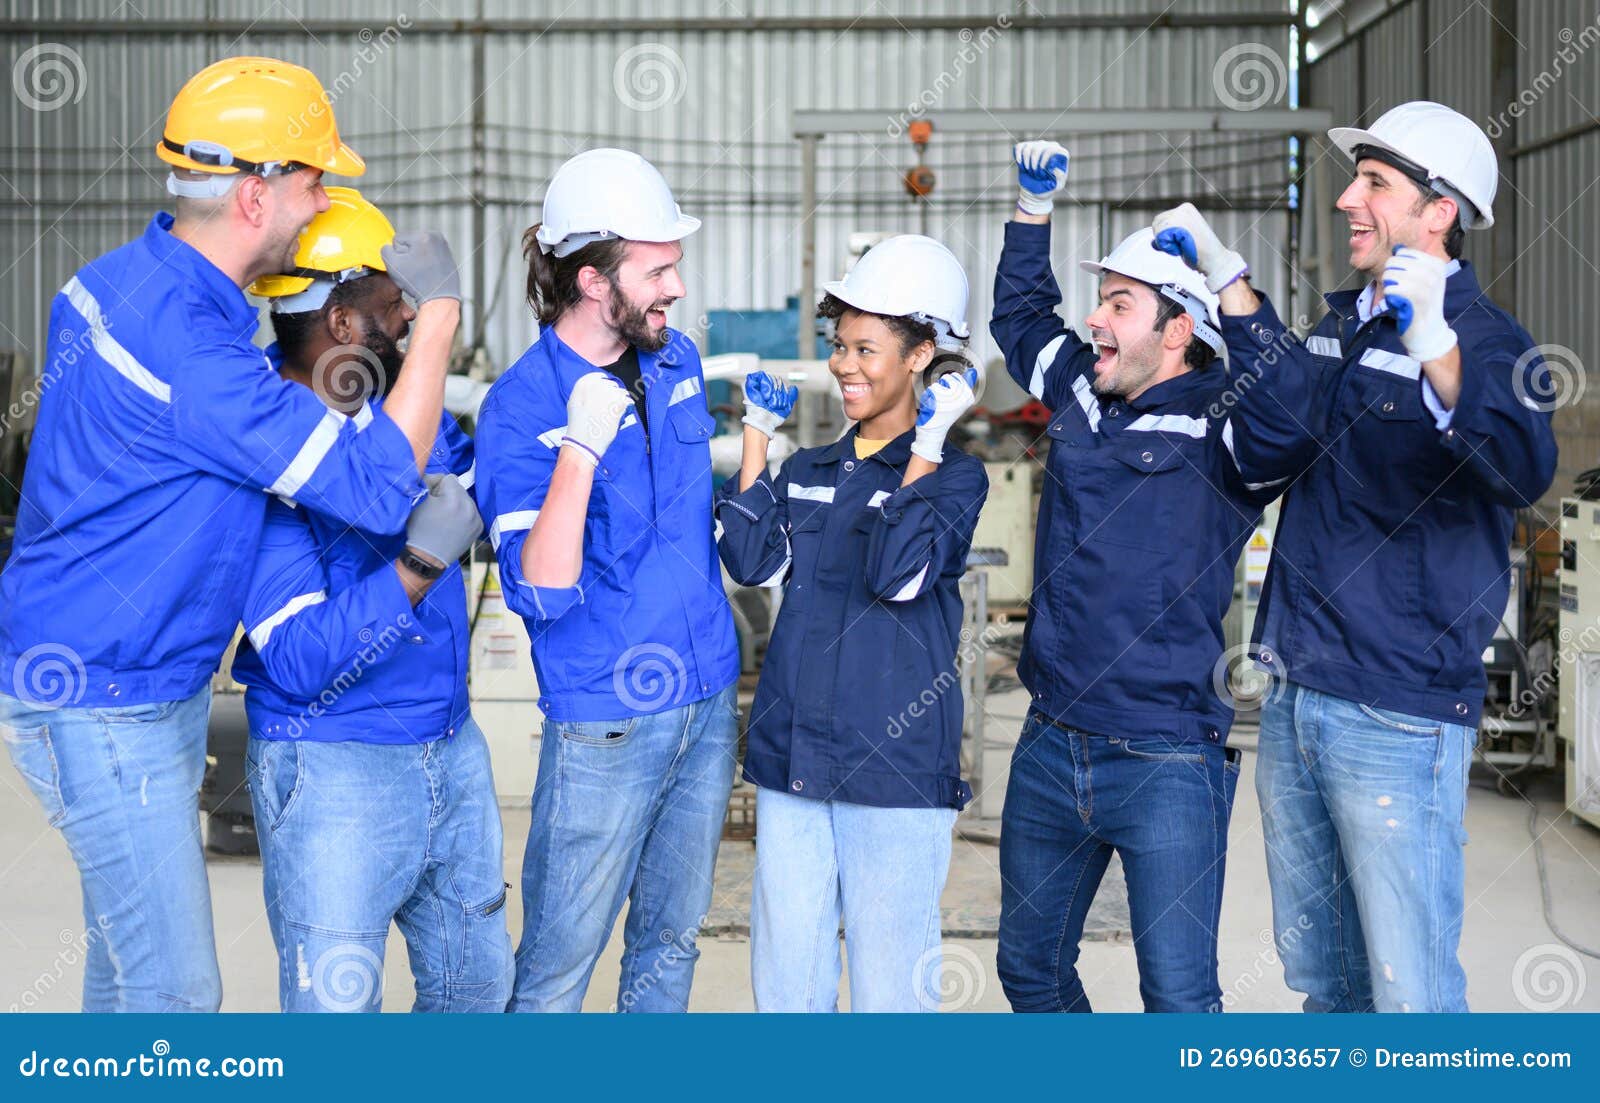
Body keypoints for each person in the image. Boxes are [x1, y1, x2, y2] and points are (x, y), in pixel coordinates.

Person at [0, 56, 459, 1013]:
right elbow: (379, 490)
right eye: (312, 179)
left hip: (123, 677)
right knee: (175, 994)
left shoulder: (112, 283)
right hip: (104, 696)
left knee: (121, 977)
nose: (321, 197)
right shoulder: (200, 357)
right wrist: (442, 322)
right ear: (255, 193)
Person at [1152, 101, 1557, 1012]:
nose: (1345, 200)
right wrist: (1232, 288)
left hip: (1397, 711)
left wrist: (1441, 354)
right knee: (1327, 984)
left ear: (1439, 210)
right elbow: (1284, 425)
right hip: (1298, 691)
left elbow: (1520, 467)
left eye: (1374, 183)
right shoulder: (1344, 325)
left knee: (1408, 991)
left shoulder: (1490, 344)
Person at [992, 141, 1281, 1012]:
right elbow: (1022, 319)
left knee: (1180, 998)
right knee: (1029, 971)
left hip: (1165, 755)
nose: (1096, 321)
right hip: (1049, 738)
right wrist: (1030, 212)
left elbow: (1295, 413)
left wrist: (1233, 286)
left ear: (1179, 331)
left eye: (1119, 304)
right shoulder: (1082, 389)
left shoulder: (1227, 420)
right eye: (1100, 301)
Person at [231, 189, 509, 1013]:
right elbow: (300, 656)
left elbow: (463, 477)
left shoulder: (393, 414)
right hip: (334, 766)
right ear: (344, 326)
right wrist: (417, 568)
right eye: (397, 309)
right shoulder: (266, 451)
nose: (411, 325)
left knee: (475, 994)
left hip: (451, 749)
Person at [474, 149, 739, 1013]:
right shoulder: (521, 406)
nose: (677, 289)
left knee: (669, 943)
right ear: (593, 280)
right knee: (557, 967)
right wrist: (579, 450)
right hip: (607, 723)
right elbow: (541, 590)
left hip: (705, 700)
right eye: (658, 270)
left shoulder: (677, 361)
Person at [716, 235, 988, 1012]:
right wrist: (757, 439)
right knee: (787, 985)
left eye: (867, 348)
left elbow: (897, 575)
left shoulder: (958, 476)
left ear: (921, 354)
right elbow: (749, 559)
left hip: (893, 767)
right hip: (795, 756)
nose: (845, 366)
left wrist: (927, 446)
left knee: (889, 992)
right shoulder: (809, 470)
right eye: (840, 346)